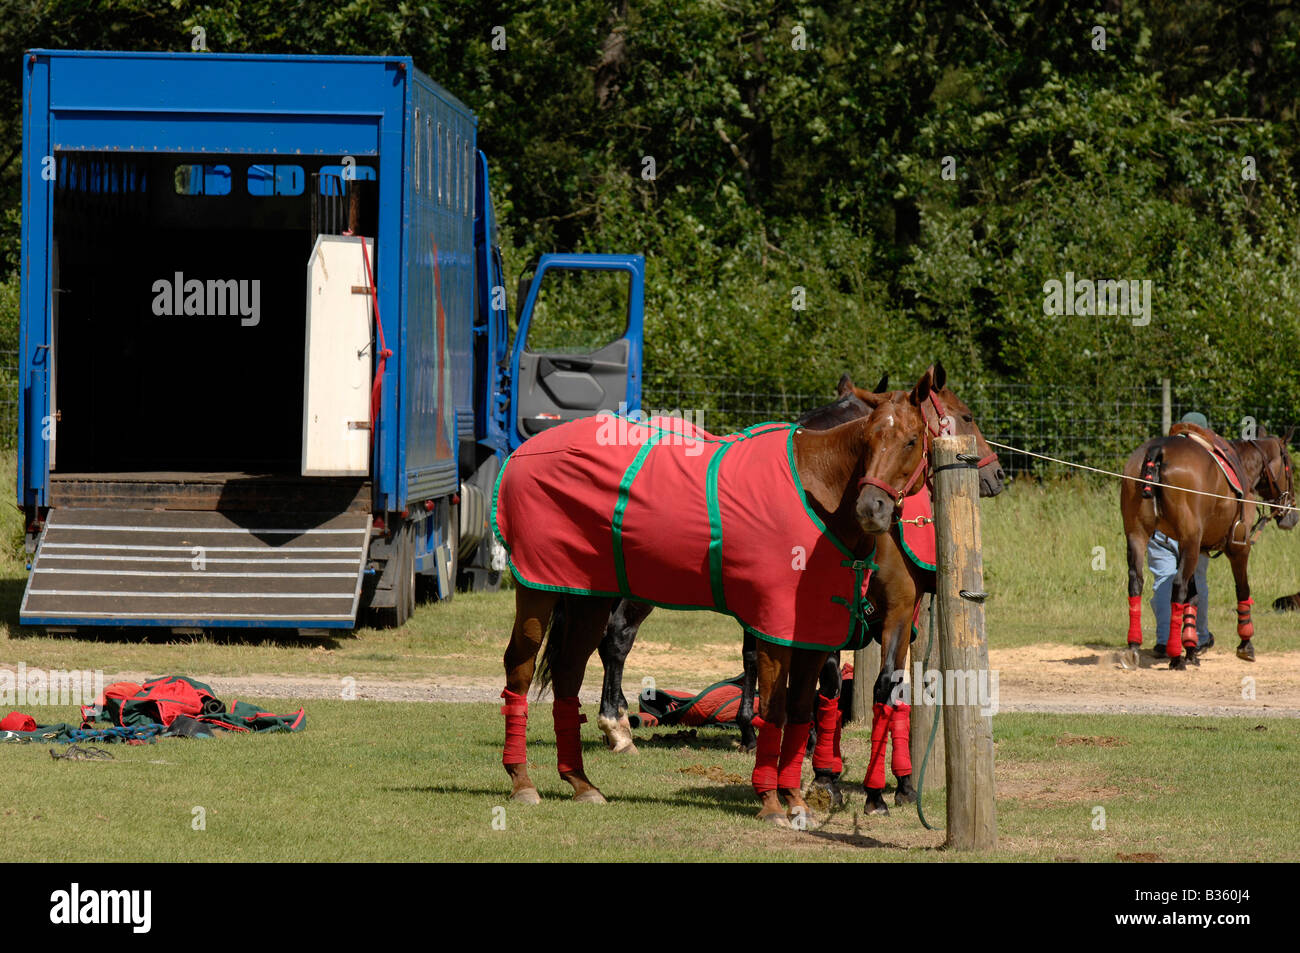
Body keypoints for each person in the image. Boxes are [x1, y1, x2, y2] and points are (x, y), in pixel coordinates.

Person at [1147, 411, 1215, 656]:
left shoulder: (1163, 456)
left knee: (1164, 582)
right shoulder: (1207, 462)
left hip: (1160, 531)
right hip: (1194, 536)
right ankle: (1199, 637)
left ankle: (1165, 640)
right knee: (1197, 583)